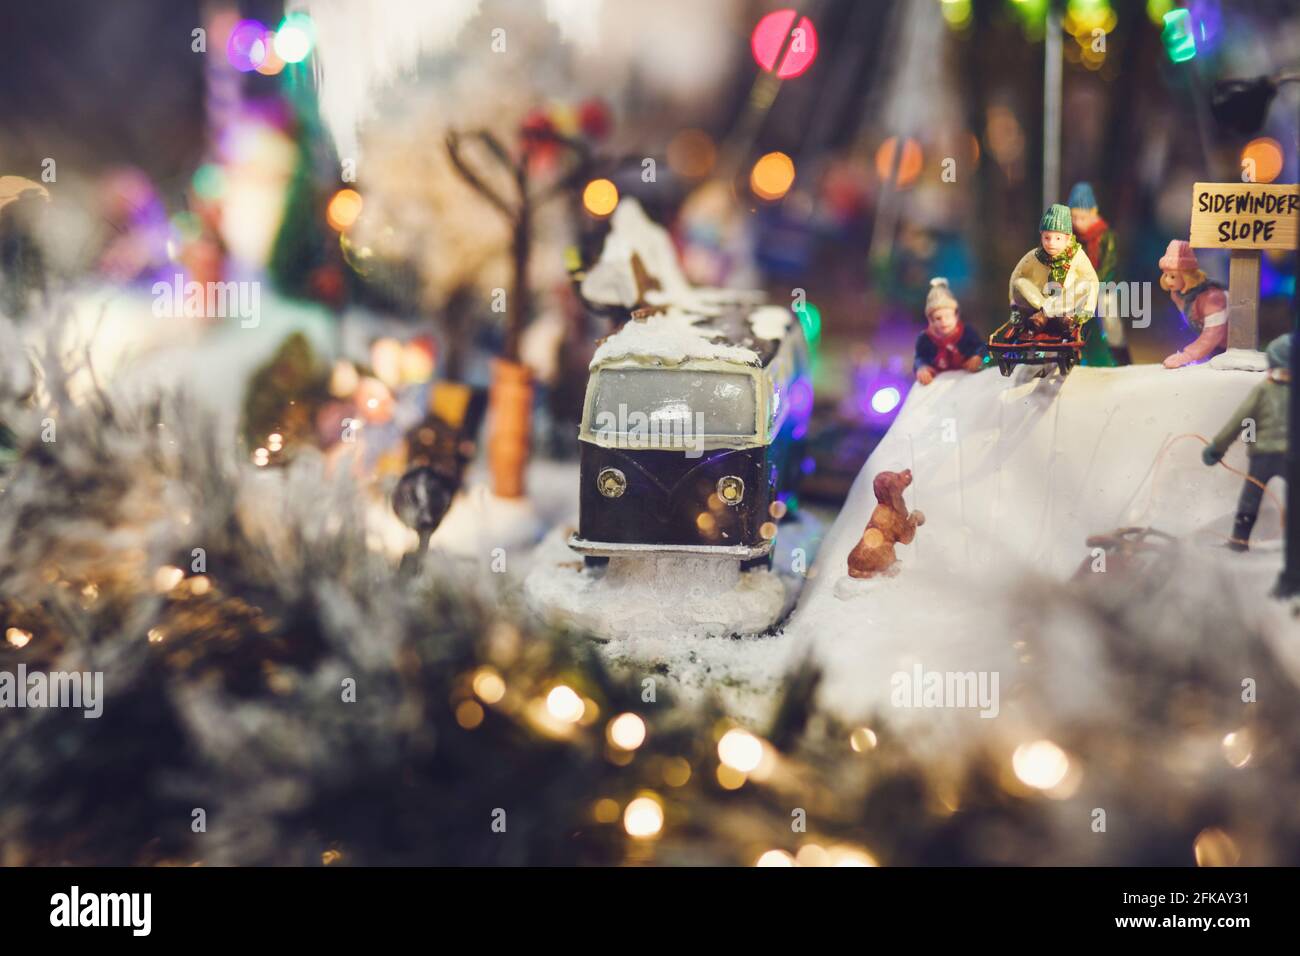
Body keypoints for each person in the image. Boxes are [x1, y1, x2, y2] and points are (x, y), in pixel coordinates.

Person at [1202, 332, 1290, 551]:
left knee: (1250, 500)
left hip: (1263, 455)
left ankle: (1240, 542)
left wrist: (1218, 448)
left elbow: (1238, 421)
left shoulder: (1264, 389)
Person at [1006, 203, 1099, 341]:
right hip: (1038, 303)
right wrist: (1014, 305)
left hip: (1067, 305)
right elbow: (1016, 276)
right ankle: (1047, 313)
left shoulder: (1077, 256)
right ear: (1041, 236)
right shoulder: (1034, 257)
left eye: (1058, 238)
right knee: (1020, 283)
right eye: (1047, 238)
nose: (1051, 243)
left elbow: (1092, 280)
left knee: (1084, 284)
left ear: (1067, 238)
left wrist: (1089, 308)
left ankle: (1045, 315)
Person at [1068, 182, 1126, 365]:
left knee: (1111, 322)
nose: (1078, 222)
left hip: (1104, 287)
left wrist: (1094, 284)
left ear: (1094, 212)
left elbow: (1109, 266)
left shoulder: (1106, 236)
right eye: (1074, 217)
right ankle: (1077, 356)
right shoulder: (1071, 238)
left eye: (1082, 217)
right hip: (1080, 289)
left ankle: (1121, 360)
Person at [1159, 240, 1229, 369]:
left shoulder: (1212, 297)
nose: (1168, 280)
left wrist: (1187, 356)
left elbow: (1214, 333)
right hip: (1214, 348)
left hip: (1229, 346)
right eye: (1166, 275)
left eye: (1173, 276)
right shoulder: (1177, 294)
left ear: (1186, 276)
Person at [914, 277, 986, 385]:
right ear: (930, 320)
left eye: (947, 316)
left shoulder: (967, 332)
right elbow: (920, 358)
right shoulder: (925, 339)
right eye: (938, 318)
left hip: (967, 381)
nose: (943, 322)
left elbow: (981, 348)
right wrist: (922, 368)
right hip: (938, 384)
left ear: (956, 315)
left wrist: (978, 357)